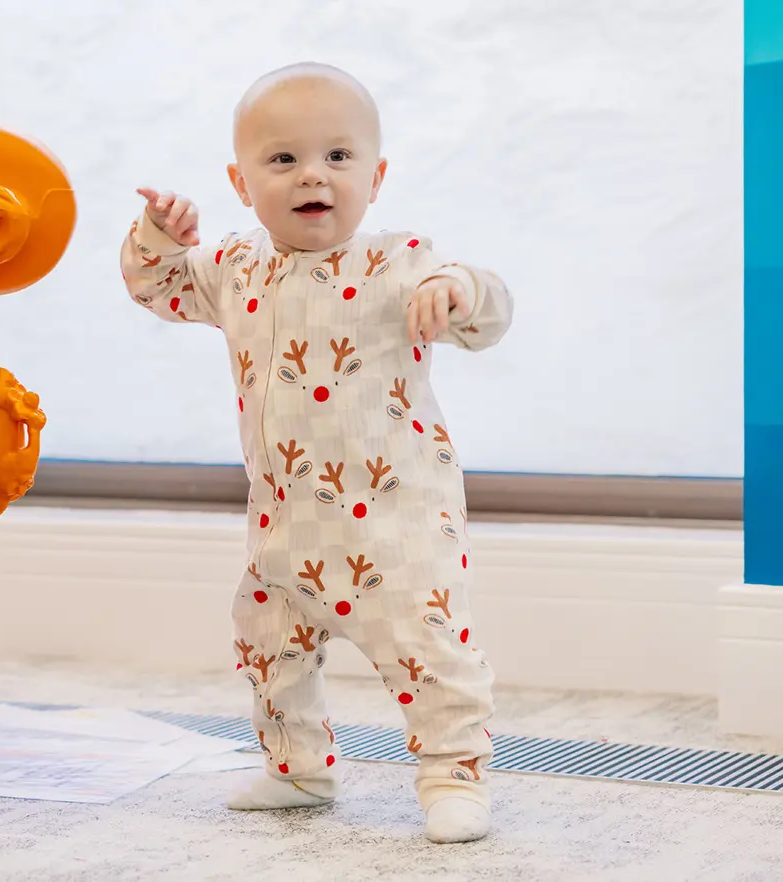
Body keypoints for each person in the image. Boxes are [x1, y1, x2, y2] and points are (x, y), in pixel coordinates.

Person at [121, 63, 513, 844]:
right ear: (241, 183)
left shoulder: (401, 264)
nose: (313, 175)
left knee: (428, 650)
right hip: (284, 524)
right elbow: (157, 287)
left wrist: (461, 291)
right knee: (268, 647)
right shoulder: (234, 268)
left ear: (376, 177)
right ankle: (297, 766)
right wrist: (159, 235)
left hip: (397, 524)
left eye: (338, 157)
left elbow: (488, 311)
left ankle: (453, 773)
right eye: (284, 159)